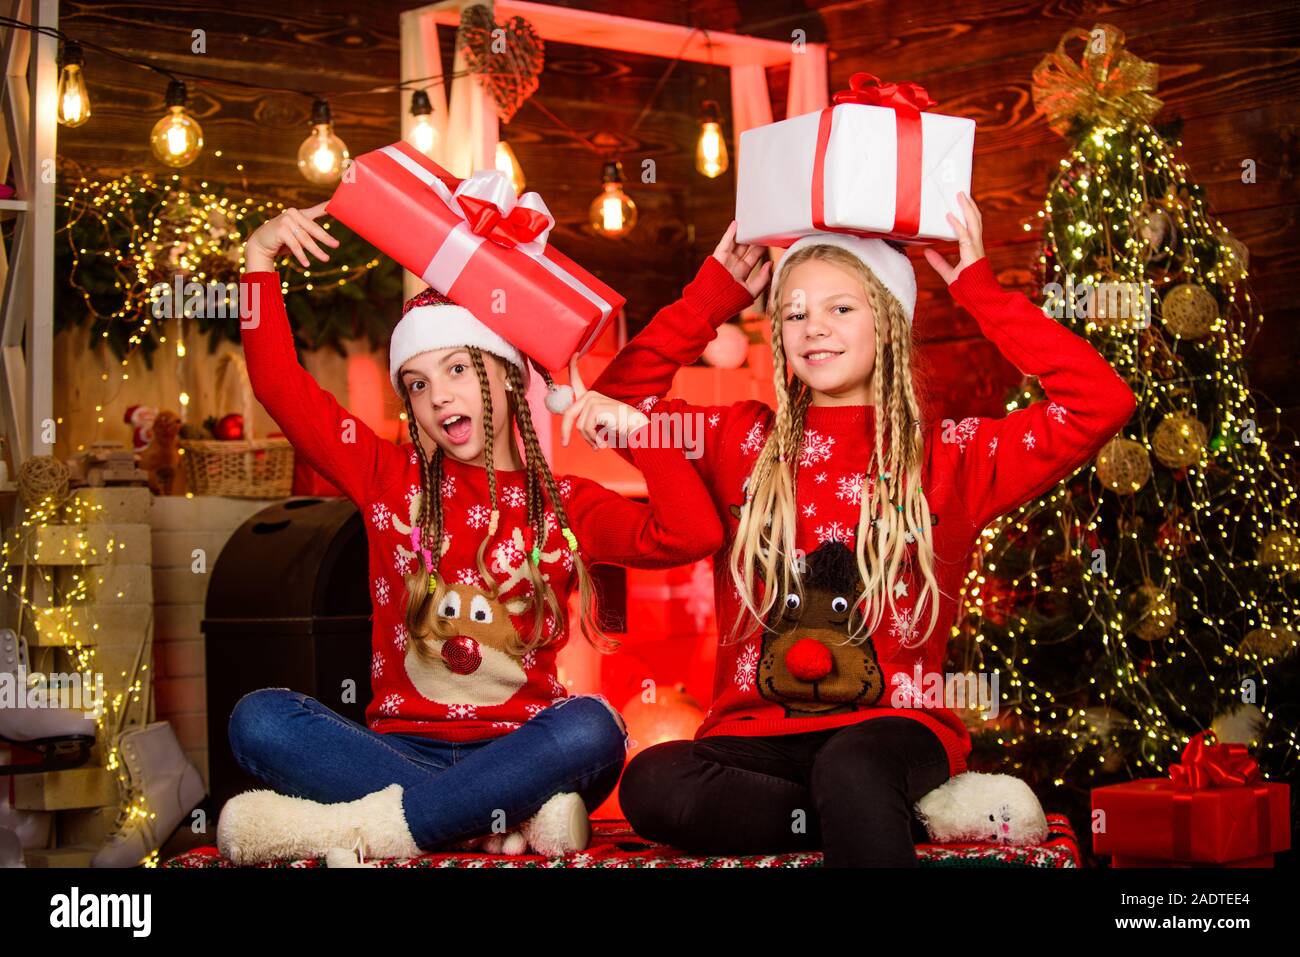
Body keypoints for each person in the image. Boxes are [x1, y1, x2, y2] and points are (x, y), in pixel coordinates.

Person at [583, 193, 1137, 866]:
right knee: (652, 779)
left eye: (840, 308)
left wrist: (980, 292)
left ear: (891, 323)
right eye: (793, 312)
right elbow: (617, 404)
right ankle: (865, 824)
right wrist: (711, 297)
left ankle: (867, 806)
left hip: (892, 732)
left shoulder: (952, 457)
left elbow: (1099, 401)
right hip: (756, 739)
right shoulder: (737, 440)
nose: (813, 327)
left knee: (851, 767)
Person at [215, 201, 725, 863]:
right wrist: (257, 260)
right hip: (396, 749)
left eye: (458, 368)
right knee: (257, 718)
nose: (439, 396)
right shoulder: (383, 476)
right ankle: (486, 821)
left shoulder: (563, 501)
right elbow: (279, 386)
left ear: (510, 377)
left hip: (528, 749)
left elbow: (691, 532)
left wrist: (640, 432)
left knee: (595, 726)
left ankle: (378, 828)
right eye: (417, 383)